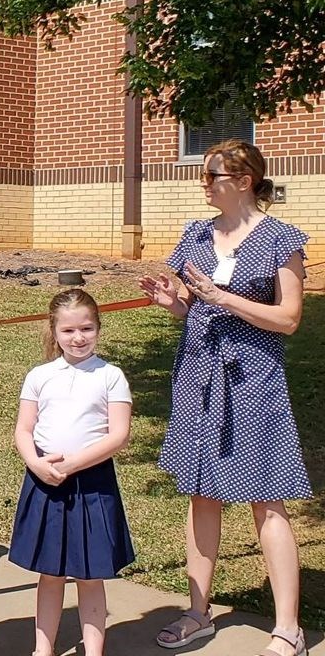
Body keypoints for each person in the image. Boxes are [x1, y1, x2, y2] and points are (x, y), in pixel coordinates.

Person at [140, 139, 309, 656]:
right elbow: (189, 307)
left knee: (267, 501)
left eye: (212, 174)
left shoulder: (282, 240)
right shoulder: (195, 233)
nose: (204, 182)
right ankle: (197, 612)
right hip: (198, 375)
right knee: (202, 494)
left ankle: (288, 629)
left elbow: (289, 318)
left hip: (253, 380)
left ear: (242, 180)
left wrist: (223, 299)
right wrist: (173, 302)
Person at [8, 288, 135, 656]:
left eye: (87, 328)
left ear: (98, 328)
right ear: (54, 331)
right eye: (68, 331)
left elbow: (120, 434)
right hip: (45, 481)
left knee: (90, 574)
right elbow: (23, 430)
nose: (78, 337)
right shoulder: (39, 375)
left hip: (93, 483)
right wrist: (36, 463)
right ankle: (42, 649)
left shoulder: (111, 376)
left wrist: (74, 464)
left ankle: (94, 651)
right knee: (49, 574)